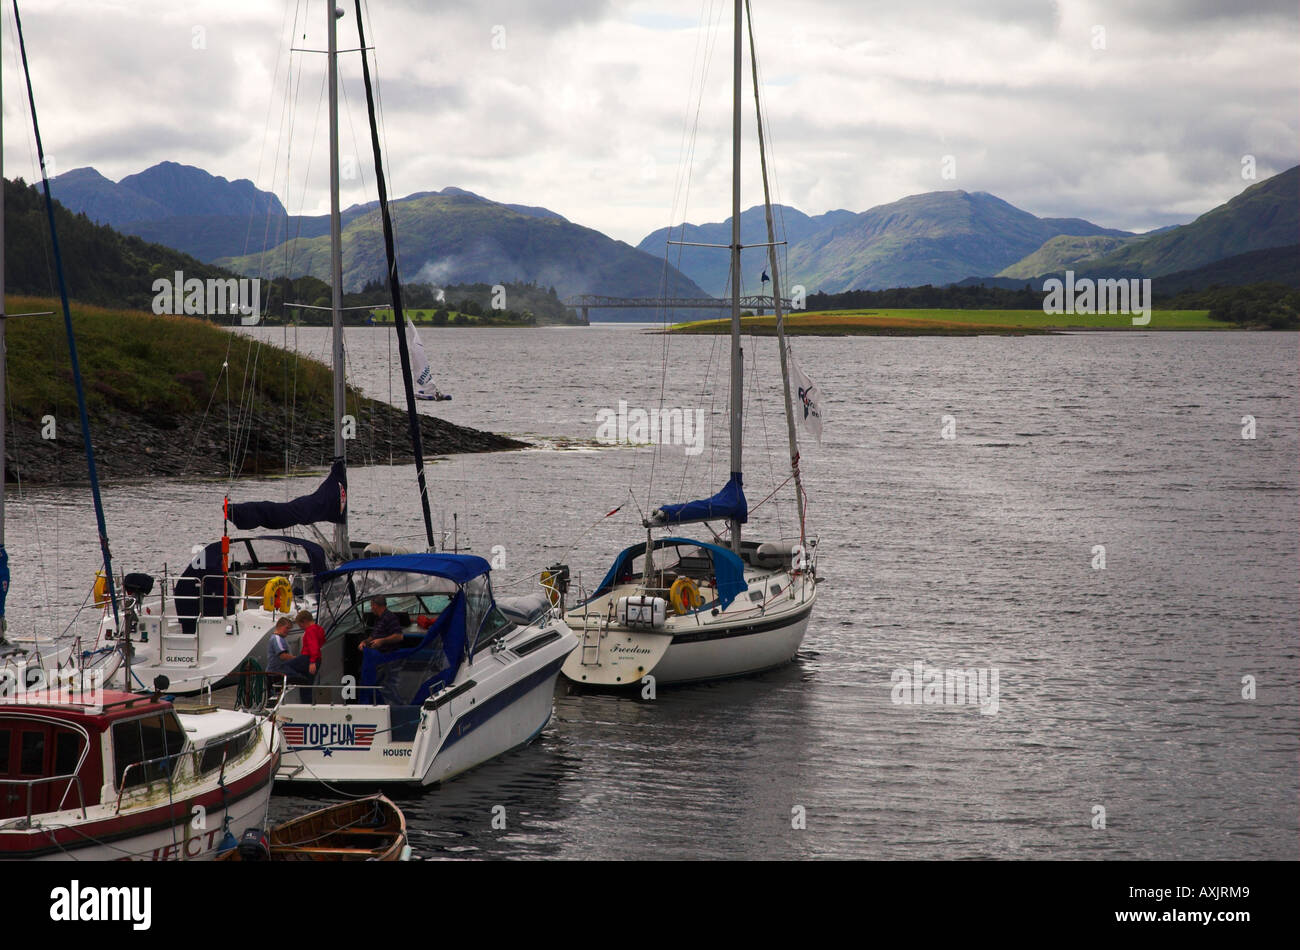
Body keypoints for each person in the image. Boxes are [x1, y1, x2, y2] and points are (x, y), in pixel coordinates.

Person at [267, 617, 311, 687]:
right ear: (279, 626)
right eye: (287, 628)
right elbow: (283, 656)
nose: (288, 631)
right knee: (303, 680)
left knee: (302, 678)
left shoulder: (281, 638)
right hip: (277, 672)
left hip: (281, 670)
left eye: (289, 629)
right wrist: (298, 659)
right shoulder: (276, 639)